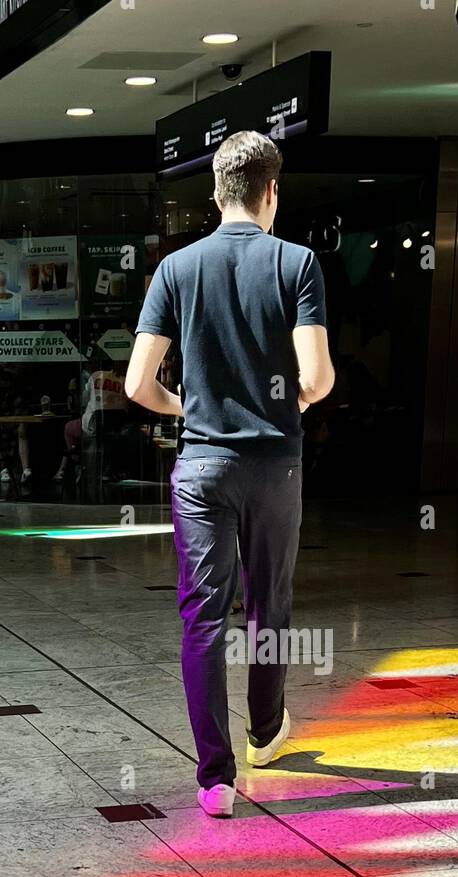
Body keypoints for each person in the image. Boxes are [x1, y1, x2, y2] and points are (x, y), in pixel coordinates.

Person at [126, 130, 335, 818]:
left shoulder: (176, 269)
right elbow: (318, 377)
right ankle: (265, 732)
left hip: (202, 468)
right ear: (271, 191)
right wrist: (287, 399)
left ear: (216, 193)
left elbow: (136, 385)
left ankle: (215, 779)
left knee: (203, 619)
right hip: (274, 465)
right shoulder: (298, 263)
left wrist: (190, 407)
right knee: (268, 605)